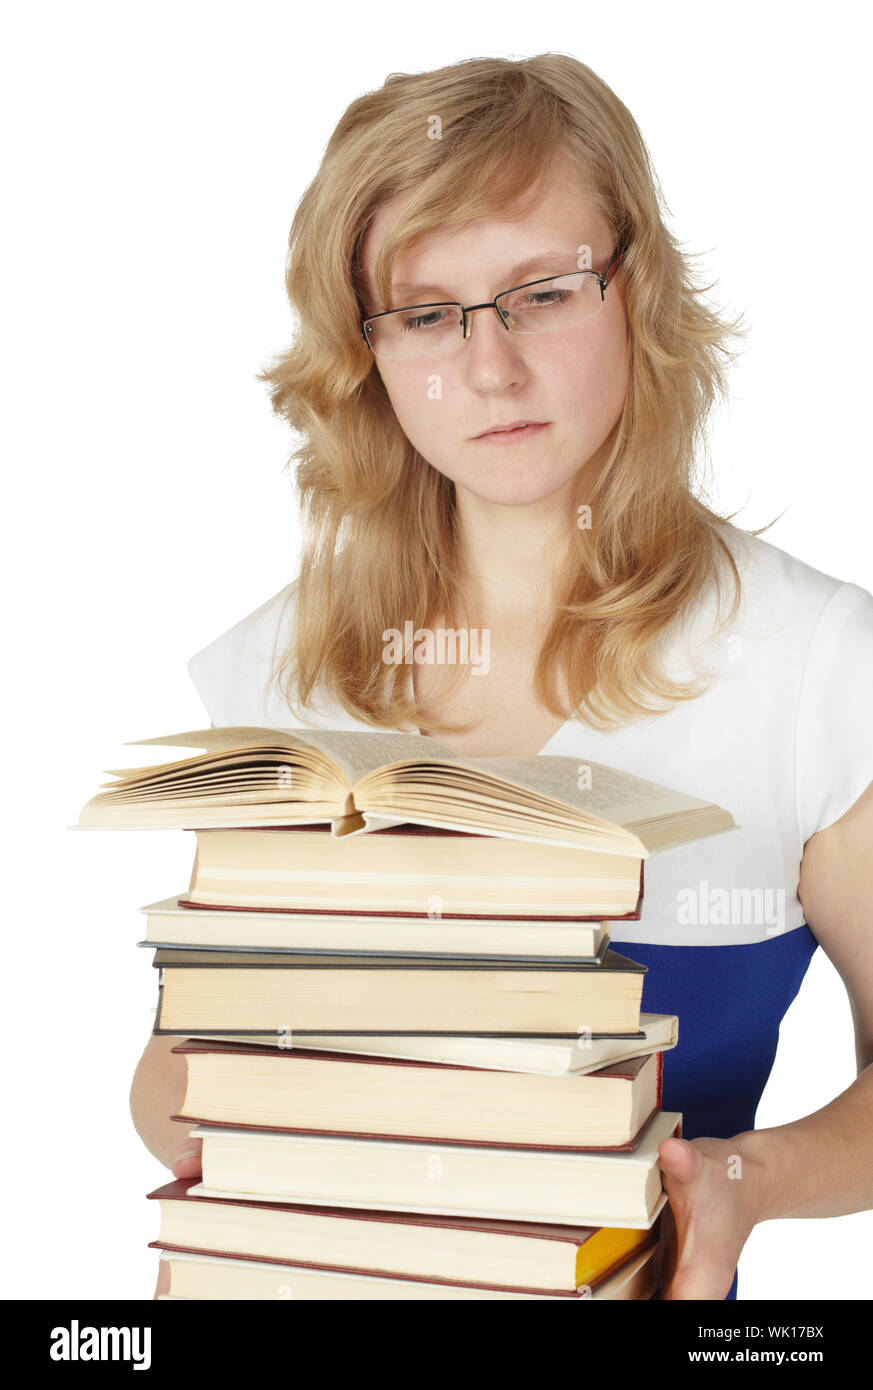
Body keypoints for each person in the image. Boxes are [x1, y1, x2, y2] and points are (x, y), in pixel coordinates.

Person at [130, 53, 873, 1301]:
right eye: (426, 314)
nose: (489, 368)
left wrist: (746, 1180)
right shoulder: (279, 672)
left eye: (543, 293)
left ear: (637, 289)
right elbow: (172, 1078)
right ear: (364, 351)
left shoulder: (816, 669)